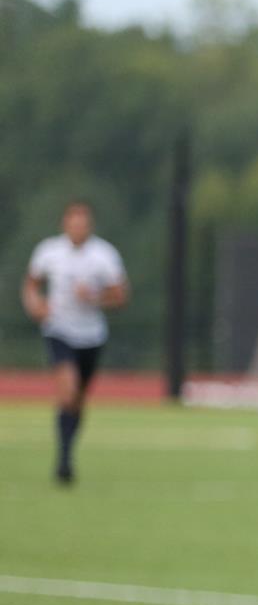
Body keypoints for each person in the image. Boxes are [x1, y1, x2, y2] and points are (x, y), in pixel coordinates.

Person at [21, 199, 128, 485]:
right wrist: (36, 305)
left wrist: (93, 298)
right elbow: (31, 285)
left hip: (91, 335)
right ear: (65, 225)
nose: (77, 228)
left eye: (82, 224)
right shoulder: (48, 252)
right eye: (73, 223)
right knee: (67, 392)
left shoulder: (103, 255)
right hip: (59, 330)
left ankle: (67, 451)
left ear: (89, 227)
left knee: (77, 400)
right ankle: (64, 461)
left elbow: (120, 296)